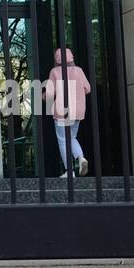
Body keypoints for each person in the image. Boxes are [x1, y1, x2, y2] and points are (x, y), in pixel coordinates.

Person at [42, 47, 91, 179]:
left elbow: (50, 93)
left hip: (62, 111)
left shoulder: (55, 71)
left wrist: (43, 96)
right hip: (78, 110)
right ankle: (80, 158)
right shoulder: (79, 70)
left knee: (63, 140)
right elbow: (87, 89)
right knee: (72, 137)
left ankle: (69, 171)